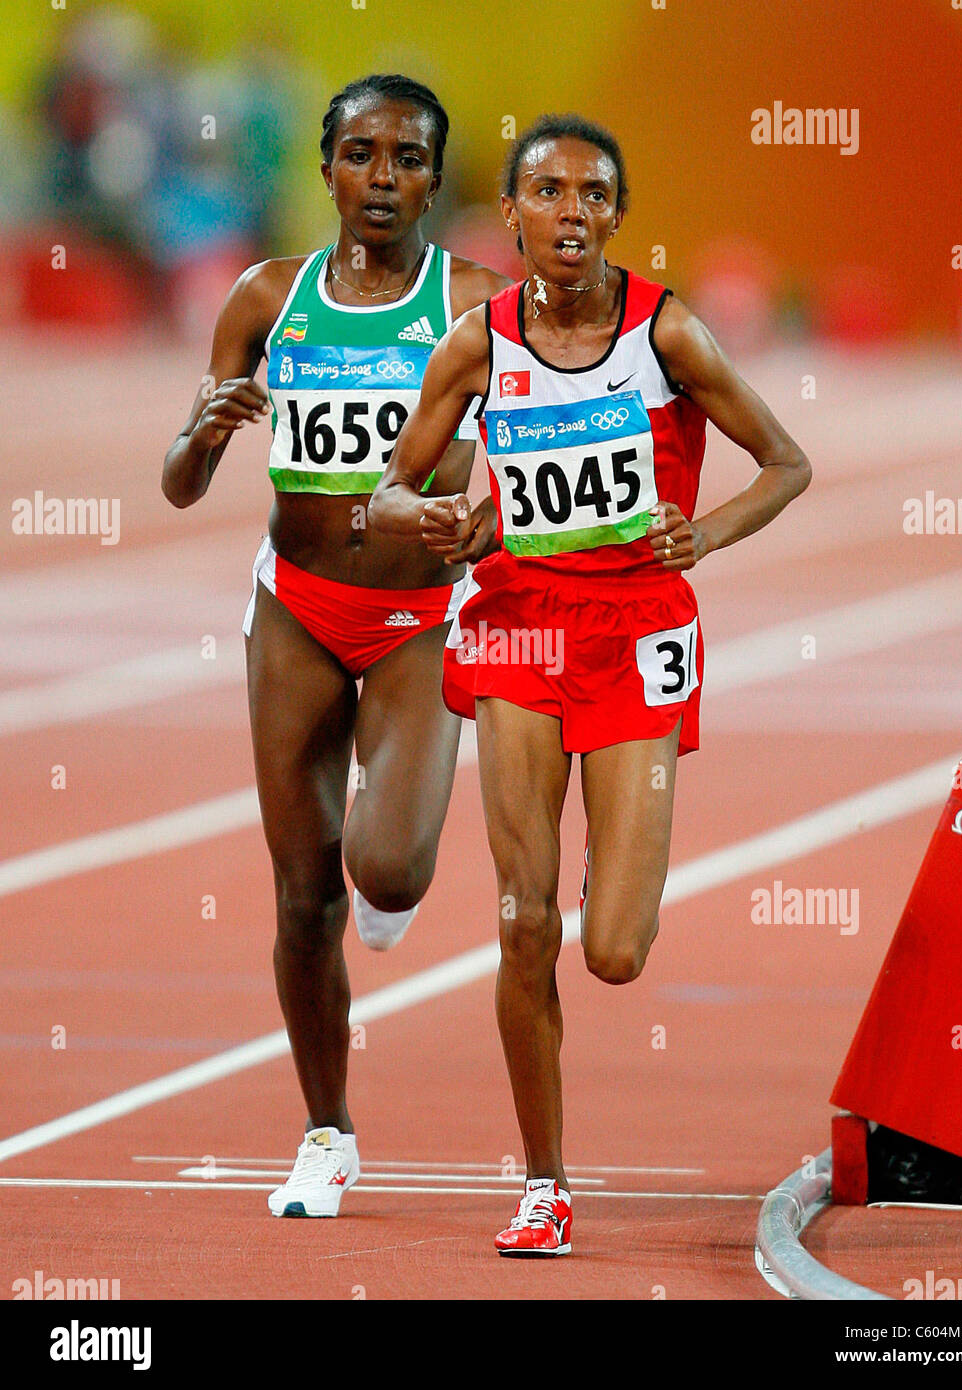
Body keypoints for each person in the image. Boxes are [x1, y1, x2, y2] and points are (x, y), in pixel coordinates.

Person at [369, 114, 812, 1256]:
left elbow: (788, 463)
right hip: (517, 634)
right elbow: (388, 495)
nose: (571, 212)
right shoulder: (477, 342)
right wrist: (442, 523)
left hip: (637, 634)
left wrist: (700, 537)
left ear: (618, 214)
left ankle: (604, 915)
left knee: (611, 945)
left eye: (593, 194)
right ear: (508, 216)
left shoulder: (671, 335)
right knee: (525, 924)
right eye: (548, 191)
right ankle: (545, 1183)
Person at [162, 74, 508, 1217]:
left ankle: (391, 851)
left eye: (408, 159)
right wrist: (199, 434)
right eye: (362, 155)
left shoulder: (473, 305)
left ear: (435, 179)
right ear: (326, 170)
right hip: (297, 609)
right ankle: (326, 1130)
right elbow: (180, 484)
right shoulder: (269, 296)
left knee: (388, 871)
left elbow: (540, 470)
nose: (383, 178)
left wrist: (485, 521)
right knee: (301, 895)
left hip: (419, 616)